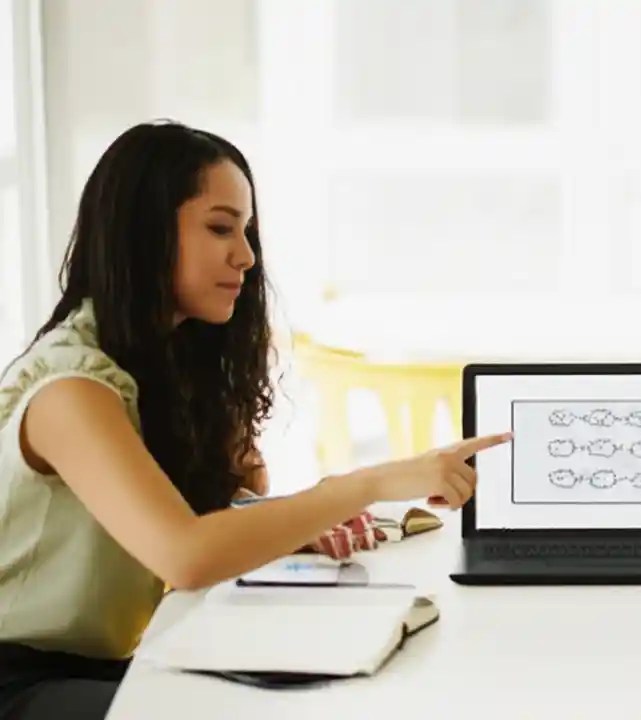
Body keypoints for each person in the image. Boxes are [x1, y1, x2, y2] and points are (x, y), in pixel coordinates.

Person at [0, 121, 510, 720]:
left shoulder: (155, 364)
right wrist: (365, 485)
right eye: (220, 228)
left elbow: (239, 491)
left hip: (100, 664)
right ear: (143, 236)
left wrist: (276, 508)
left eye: (247, 232)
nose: (244, 257)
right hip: (18, 680)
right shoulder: (71, 390)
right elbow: (186, 555)